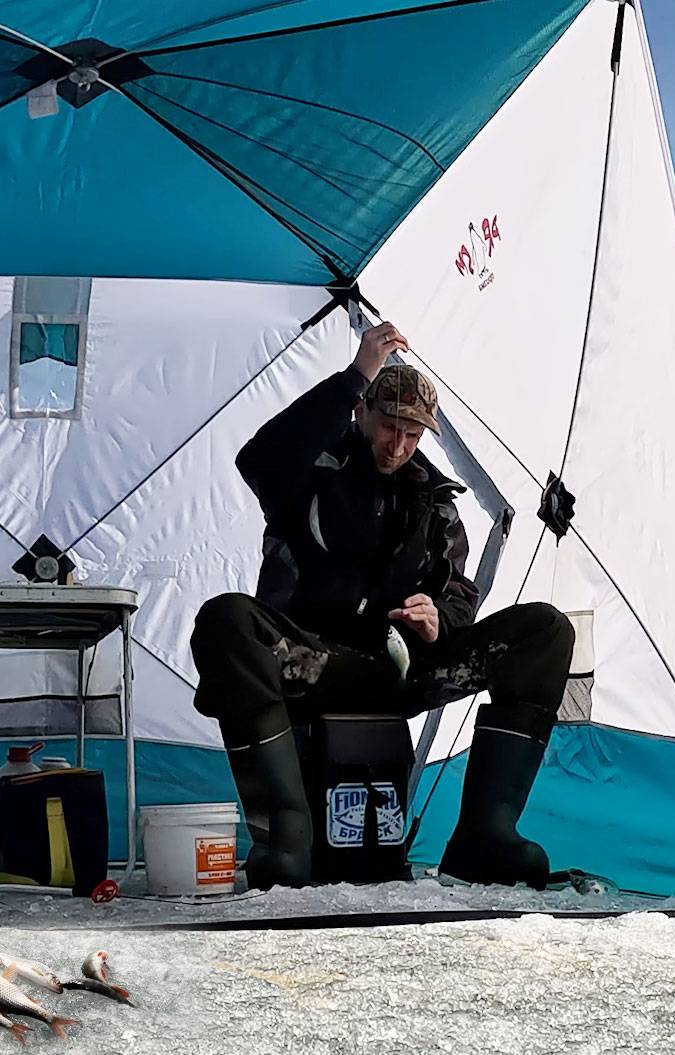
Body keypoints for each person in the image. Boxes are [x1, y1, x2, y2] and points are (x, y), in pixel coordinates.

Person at [191, 321, 573, 890]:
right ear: (363, 413)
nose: (398, 445)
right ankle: (287, 837)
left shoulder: (434, 500)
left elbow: (459, 591)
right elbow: (259, 460)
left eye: (412, 434)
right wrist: (354, 376)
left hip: (400, 668)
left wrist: (439, 617)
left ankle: (484, 837)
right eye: (389, 427)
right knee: (225, 621)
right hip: (311, 660)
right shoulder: (309, 472)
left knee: (545, 631)